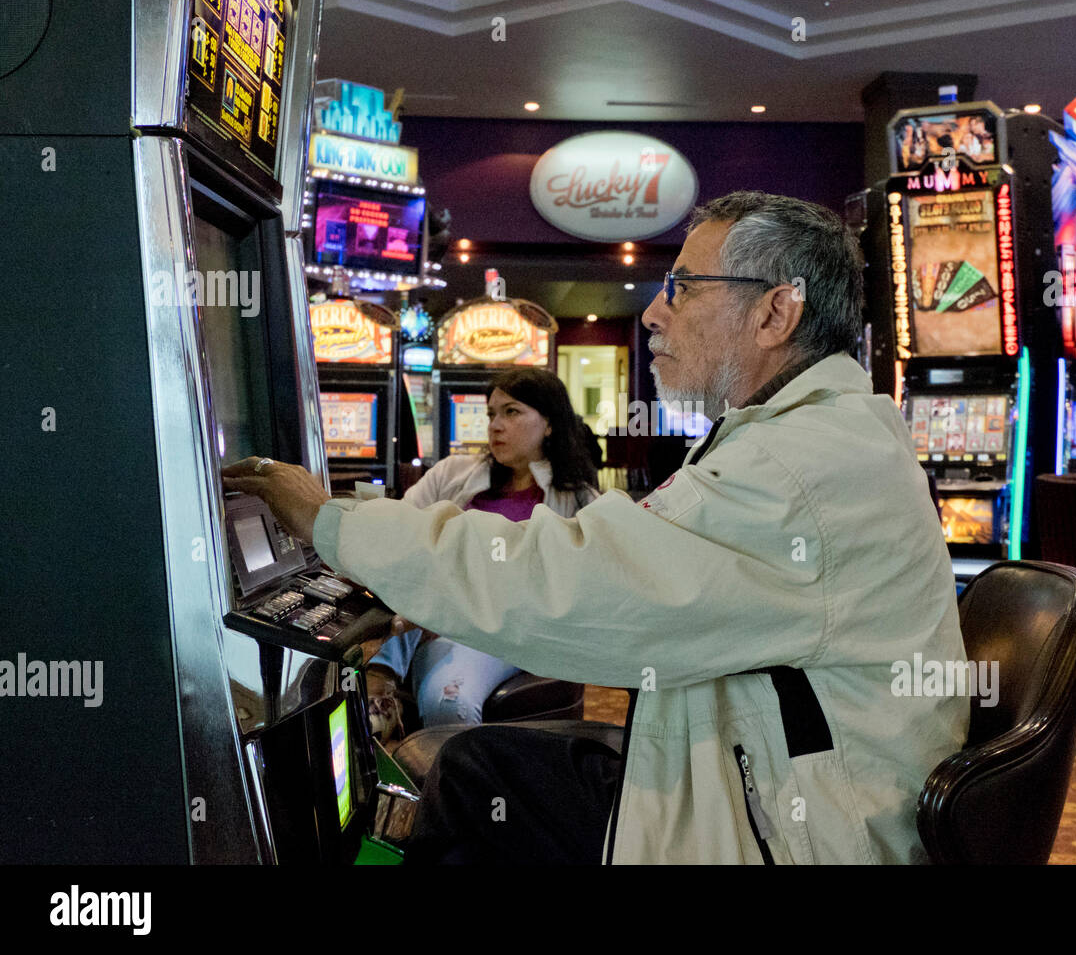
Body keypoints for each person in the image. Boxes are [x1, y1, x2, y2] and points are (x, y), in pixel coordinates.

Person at [225, 190, 969, 865]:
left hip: (794, 832)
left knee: (470, 785)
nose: (653, 310)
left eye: (682, 287)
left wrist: (333, 522)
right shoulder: (805, 435)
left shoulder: (802, 466)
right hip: (766, 776)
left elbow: (577, 585)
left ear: (776, 313)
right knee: (475, 769)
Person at [366, 367, 599, 740]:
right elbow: (397, 532)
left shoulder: (578, 498)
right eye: (491, 414)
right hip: (433, 624)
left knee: (449, 702)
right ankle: (380, 684)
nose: (495, 425)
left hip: (507, 630)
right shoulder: (453, 473)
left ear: (550, 424)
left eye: (511, 412)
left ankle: (461, 793)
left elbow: (586, 588)